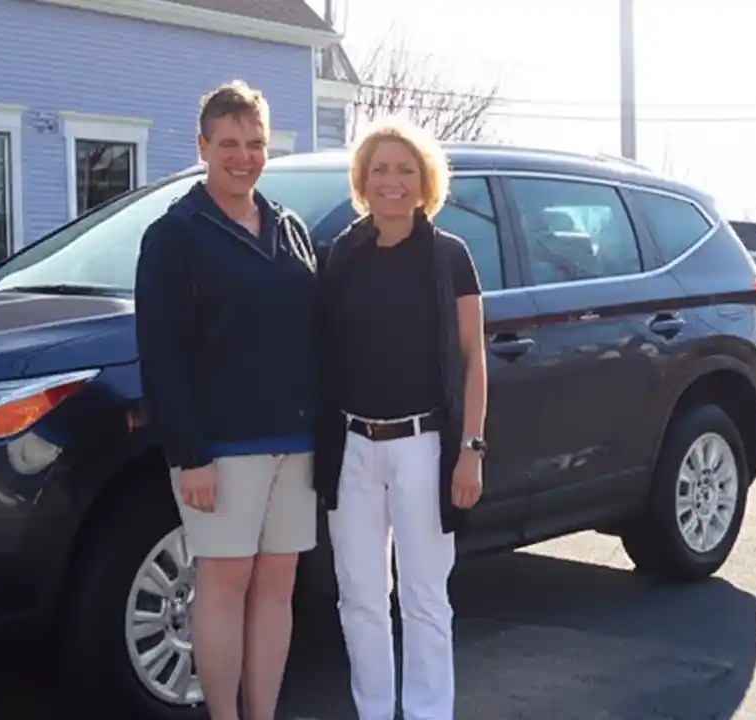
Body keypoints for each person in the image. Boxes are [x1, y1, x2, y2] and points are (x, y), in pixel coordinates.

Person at [134, 80, 320, 720]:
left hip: (295, 446)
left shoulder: (289, 227)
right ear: (203, 146)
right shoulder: (175, 236)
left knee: (277, 588)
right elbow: (162, 353)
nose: (244, 156)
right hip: (220, 448)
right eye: (230, 143)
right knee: (223, 586)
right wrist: (189, 455)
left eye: (256, 143)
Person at [313, 116, 488, 720]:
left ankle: (428, 712)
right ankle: (374, 710)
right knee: (359, 597)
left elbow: (473, 358)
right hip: (353, 450)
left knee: (424, 598)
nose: (392, 181)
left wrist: (471, 448)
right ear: (363, 179)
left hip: (426, 448)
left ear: (425, 182)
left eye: (405, 169)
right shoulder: (340, 257)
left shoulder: (450, 258)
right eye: (381, 169)